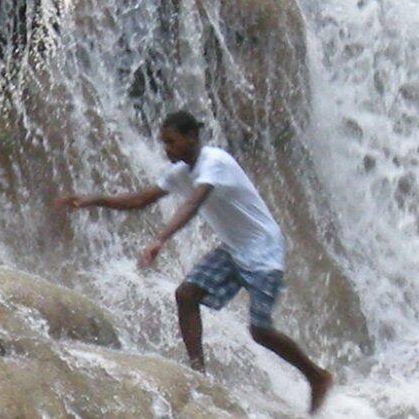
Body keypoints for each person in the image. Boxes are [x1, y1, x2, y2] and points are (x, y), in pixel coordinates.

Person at [54, 111, 335, 412]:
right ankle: (198, 373)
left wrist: (160, 239)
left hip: (264, 249)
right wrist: (93, 199)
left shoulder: (215, 162)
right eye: (164, 143)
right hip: (234, 249)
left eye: (172, 142)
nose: (167, 149)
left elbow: (193, 202)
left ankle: (317, 376)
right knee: (186, 294)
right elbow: (140, 200)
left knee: (260, 330)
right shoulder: (180, 173)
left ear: (192, 137)